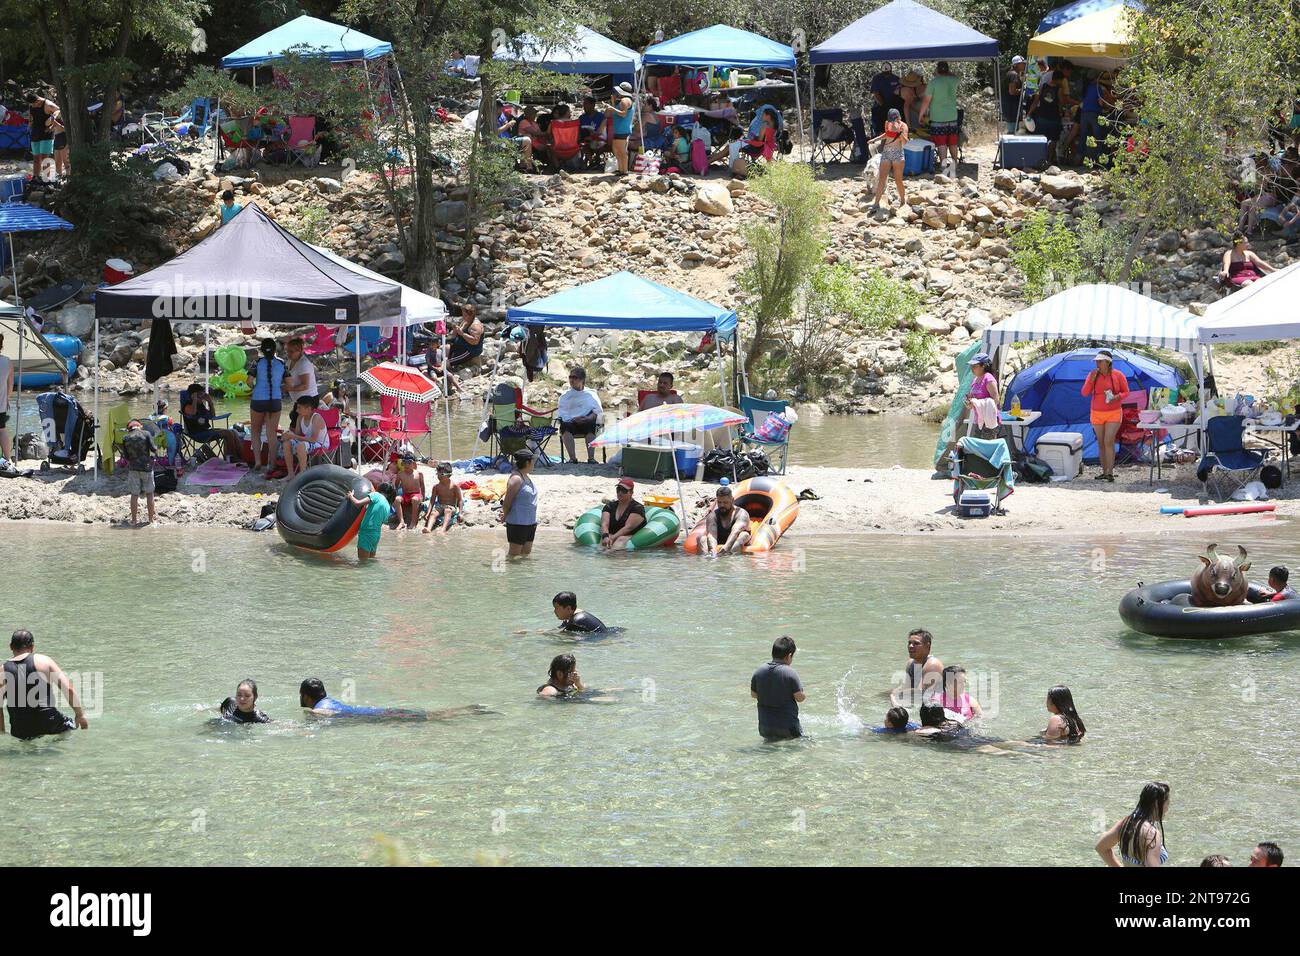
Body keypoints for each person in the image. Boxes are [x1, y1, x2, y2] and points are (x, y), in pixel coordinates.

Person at [1, 629, 89, 739]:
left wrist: (2, 731)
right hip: (49, 722)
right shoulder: (44, 661)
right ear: (32, 646)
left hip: (20, 727)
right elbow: (68, 689)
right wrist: (80, 715)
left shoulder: (2, 670)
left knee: (27, 745)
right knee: (67, 731)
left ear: (11, 647)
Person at [299, 677, 471, 719]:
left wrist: (272, 723)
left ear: (306, 696)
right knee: (430, 716)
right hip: (380, 713)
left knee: (430, 717)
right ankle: (469, 710)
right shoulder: (328, 700)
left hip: (379, 717)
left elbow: (325, 713)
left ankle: (469, 711)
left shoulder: (320, 709)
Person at [1080, 348, 1129, 482]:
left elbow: (1126, 392)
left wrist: (1116, 397)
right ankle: (1104, 471)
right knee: (1101, 443)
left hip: (1113, 413)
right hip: (1096, 413)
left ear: (1107, 362)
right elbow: (1084, 393)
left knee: (1108, 441)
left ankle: (1110, 472)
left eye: (1100, 361)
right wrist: (1091, 380)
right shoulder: (1092, 375)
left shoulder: (1118, 375)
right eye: (1096, 361)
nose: (1097, 364)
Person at [1096, 782, 1171, 867]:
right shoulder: (1151, 833)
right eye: (1167, 803)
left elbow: (1101, 847)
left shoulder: (1125, 823)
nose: (1167, 809)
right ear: (1156, 804)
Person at [750, 635, 806, 741]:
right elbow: (800, 698)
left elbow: (754, 695)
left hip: (765, 728)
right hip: (788, 729)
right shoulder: (790, 672)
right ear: (789, 655)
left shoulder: (759, 671)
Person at [249, 338, 286, 475]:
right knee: (272, 434)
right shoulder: (282, 363)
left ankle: (258, 461)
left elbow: (249, 381)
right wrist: (278, 387)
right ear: (275, 350)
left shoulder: (257, 363)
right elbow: (289, 382)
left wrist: (254, 389)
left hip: (258, 400)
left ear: (261, 350)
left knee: (255, 431)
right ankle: (272, 464)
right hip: (275, 400)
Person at [554, 366, 602, 464]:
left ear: (582, 380)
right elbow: (561, 412)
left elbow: (598, 411)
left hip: (587, 420)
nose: (572, 380)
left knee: (592, 425)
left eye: (575, 377)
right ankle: (573, 458)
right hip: (571, 422)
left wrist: (588, 418)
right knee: (565, 427)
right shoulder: (565, 395)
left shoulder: (591, 394)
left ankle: (591, 458)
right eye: (570, 377)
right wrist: (572, 419)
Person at [181, 383, 242, 462]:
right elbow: (193, 412)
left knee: (233, 432)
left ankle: (238, 456)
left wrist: (210, 402)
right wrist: (195, 400)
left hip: (206, 431)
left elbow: (212, 415)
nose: (202, 398)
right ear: (193, 395)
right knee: (228, 433)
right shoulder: (187, 405)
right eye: (200, 395)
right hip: (196, 433)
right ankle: (231, 459)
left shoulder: (201, 405)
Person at [920, 61, 960, 176]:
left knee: (942, 143)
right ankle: (954, 164)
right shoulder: (954, 80)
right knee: (952, 142)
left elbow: (926, 101)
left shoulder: (933, 82)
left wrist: (921, 114)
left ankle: (944, 167)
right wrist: (947, 73)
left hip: (938, 117)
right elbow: (956, 77)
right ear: (947, 70)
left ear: (937, 70)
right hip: (952, 116)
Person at [867, 108, 908, 212]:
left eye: (894, 119)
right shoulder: (888, 123)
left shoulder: (903, 126)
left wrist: (900, 132)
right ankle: (876, 203)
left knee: (898, 180)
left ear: (899, 118)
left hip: (897, 153)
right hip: (886, 153)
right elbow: (887, 134)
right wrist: (875, 139)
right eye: (890, 120)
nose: (892, 122)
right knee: (882, 178)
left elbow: (905, 142)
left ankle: (903, 201)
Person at [499, 449, 538, 558]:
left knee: (526, 554)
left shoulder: (526, 476)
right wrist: (504, 515)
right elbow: (507, 501)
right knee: (513, 556)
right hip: (518, 523)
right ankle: (509, 573)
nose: (534, 463)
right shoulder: (516, 478)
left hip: (530, 522)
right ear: (527, 462)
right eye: (533, 460)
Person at [894, 627, 944, 709]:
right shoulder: (911, 663)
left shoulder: (932, 664)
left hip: (934, 710)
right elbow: (906, 688)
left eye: (916, 643)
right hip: (918, 703)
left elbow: (920, 693)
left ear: (927, 646)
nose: (910, 646)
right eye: (909, 643)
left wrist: (895, 694)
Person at [346, 481, 397, 561]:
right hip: (376, 535)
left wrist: (350, 496)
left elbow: (357, 503)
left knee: (362, 563)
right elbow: (381, 520)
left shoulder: (376, 495)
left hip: (366, 532)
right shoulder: (387, 506)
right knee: (370, 562)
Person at [282, 396, 328, 480]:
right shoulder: (300, 417)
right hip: (307, 442)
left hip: (321, 444)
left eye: (299, 408)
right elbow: (297, 435)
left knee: (301, 446)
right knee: (286, 443)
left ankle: (302, 476)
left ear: (308, 408)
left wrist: (293, 436)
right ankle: (290, 474)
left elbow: (313, 440)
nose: (296, 410)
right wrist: (288, 434)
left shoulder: (316, 418)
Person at [121, 420, 156, 525]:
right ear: (140, 426)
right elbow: (153, 449)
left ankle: (134, 520)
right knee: (149, 493)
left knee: (134, 494)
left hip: (133, 468)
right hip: (146, 467)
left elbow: (126, 456)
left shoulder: (125, 438)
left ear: (129, 428)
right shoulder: (146, 434)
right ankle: (151, 520)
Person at [703, 483, 751, 555]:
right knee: (701, 539)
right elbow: (711, 535)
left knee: (744, 535)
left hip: (736, 539)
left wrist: (726, 548)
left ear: (732, 500)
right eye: (719, 502)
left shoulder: (741, 513)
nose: (722, 505)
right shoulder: (713, 515)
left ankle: (732, 560)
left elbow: (735, 531)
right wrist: (713, 551)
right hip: (720, 539)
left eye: (725, 502)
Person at [600, 477, 646, 550]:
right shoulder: (610, 506)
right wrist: (605, 536)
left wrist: (613, 538)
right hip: (613, 534)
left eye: (624, 490)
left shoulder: (637, 508)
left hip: (630, 536)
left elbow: (628, 527)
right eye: (618, 489)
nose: (620, 493)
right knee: (603, 544)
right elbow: (604, 524)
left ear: (631, 493)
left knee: (620, 540)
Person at [964, 351, 1001, 439]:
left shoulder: (988, 378)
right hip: (980, 420)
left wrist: (977, 402)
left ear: (983, 366)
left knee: (987, 449)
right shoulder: (975, 380)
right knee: (979, 449)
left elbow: (996, 400)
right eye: (971, 366)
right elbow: (973, 403)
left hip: (990, 421)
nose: (972, 369)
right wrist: (969, 403)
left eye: (975, 366)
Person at [283, 336, 318, 429]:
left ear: (300, 351)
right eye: (287, 351)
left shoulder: (304, 364)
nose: (288, 354)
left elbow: (305, 385)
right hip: (299, 400)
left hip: (309, 400)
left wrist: (289, 388)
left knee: (295, 426)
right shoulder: (289, 362)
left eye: (291, 352)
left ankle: (296, 440)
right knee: (295, 424)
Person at [422, 461, 462, 535]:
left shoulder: (454, 486)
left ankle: (443, 529)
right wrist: (428, 512)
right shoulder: (436, 487)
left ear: (449, 475)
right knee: (433, 513)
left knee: (447, 511)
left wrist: (460, 513)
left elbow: (460, 500)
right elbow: (432, 500)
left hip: (451, 506)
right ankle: (428, 528)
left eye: (441, 474)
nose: (439, 476)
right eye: (438, 473)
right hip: (439, 505)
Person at [25, 91, 58, 181]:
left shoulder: (47, 104)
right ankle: (36, 177)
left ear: (38, 100)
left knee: (45, 157)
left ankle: (47, 179)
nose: (33, 106)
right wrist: (29, 125)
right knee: (36, 157)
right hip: (35, 132)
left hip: (46, 133)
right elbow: (31, 117)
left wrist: (52, 123)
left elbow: (58, 111)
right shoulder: (32, 105)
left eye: (34, 104)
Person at [393, 452, 425, 529]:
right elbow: (396, 485)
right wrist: (395, 495)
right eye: (404, 462)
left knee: (414, 499)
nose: (407, 465)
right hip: (406, 495)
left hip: (416, 494)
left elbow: (422, 486)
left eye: (409, 462)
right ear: (402, 463)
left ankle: (413, 522)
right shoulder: (400, 474)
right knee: (397, 500)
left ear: (413, 463)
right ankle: (401, 522)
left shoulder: (419, 474)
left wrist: (423, 497)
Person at [869, 63, 902, 136]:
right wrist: (884, 106)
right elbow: (876, 93)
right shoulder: (877, 78)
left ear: (891, 71)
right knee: (880, 127)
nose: (886, 75)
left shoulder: (896, 78)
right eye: (885, 73)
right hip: (880, 106)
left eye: (888, 73)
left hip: (894, 107)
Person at [610, 81, 635, 174]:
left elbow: (623, 114)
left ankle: (624, 171)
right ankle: (622, 170)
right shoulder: (625, 100)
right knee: (617, 150)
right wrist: (613, 103)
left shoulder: (624, 100)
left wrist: (612, 108)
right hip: (620, 129)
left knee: (621, 151)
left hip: (622, 129)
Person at [1003, 56, 1026, 134]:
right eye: (1022, 63)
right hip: (1012, 108)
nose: (1024, 65)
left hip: (1011, 108)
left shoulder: (1011, 73)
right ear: (1016, 64)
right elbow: (1012, 91)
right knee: (1012, 132)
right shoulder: (1013, 75)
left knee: (1013, 130)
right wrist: (1023, 90)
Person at [0, 330, 12, 463]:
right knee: (2, 430)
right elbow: (10, 385)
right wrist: (6, 398)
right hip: (1, 404)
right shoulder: (7, 362)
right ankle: (7, 459)